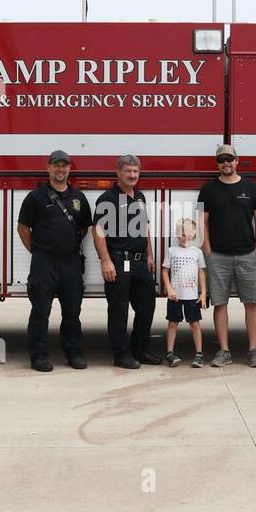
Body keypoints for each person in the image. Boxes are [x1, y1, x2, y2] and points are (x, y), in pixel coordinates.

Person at [16, 150, 92, 372]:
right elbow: (22, 228)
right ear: (48, 168)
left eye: (64, 166)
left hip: (70, 261)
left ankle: (74, 353)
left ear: (69, 169)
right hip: (44, 262)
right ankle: (39, 356)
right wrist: (38, 251)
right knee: (41, 310)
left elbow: (84, 227)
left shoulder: (78, 198)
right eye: (56, 165)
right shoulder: (35, 197)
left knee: (72, 312)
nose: (60, 170)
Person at [198, 144, 256, 368]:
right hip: (217, 256)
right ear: (217, 164)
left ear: (237, 161)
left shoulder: (252, 188)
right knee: (220, 304)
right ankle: (224, 351)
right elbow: (202, 222)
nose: (226, 163)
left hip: (247, 254)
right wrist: (207, 251)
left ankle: (253, 350)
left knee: (251, 303)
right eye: (221, 160)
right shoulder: (207, 189)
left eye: (230, 159)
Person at [93, 154, 160, 369]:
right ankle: (121, 355)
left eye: (135, 171)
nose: (132, 175)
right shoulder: (107, 199)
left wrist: (149, 254)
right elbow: (98, 231)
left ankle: (140, 350)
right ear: (118, 173)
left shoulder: (139, 196)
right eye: (128, 171)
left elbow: (145, 228)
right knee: (119, 310)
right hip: (119, 261)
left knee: (146, 307)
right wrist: (105, 260)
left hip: (140, 262)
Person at [162, 218, 208, 368]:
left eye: (188, 233)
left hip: (192, 296)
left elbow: (201, 273)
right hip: (175, 296)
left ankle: (199, 355)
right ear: (176, 234)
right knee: (172, 323)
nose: (185, 236)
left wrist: (203, 293)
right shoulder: (171, 251)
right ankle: (170, 353)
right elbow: (164, 270)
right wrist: (168, 288)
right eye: (181, 233)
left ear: (194, 235)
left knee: (194, 323)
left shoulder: (197, 252)